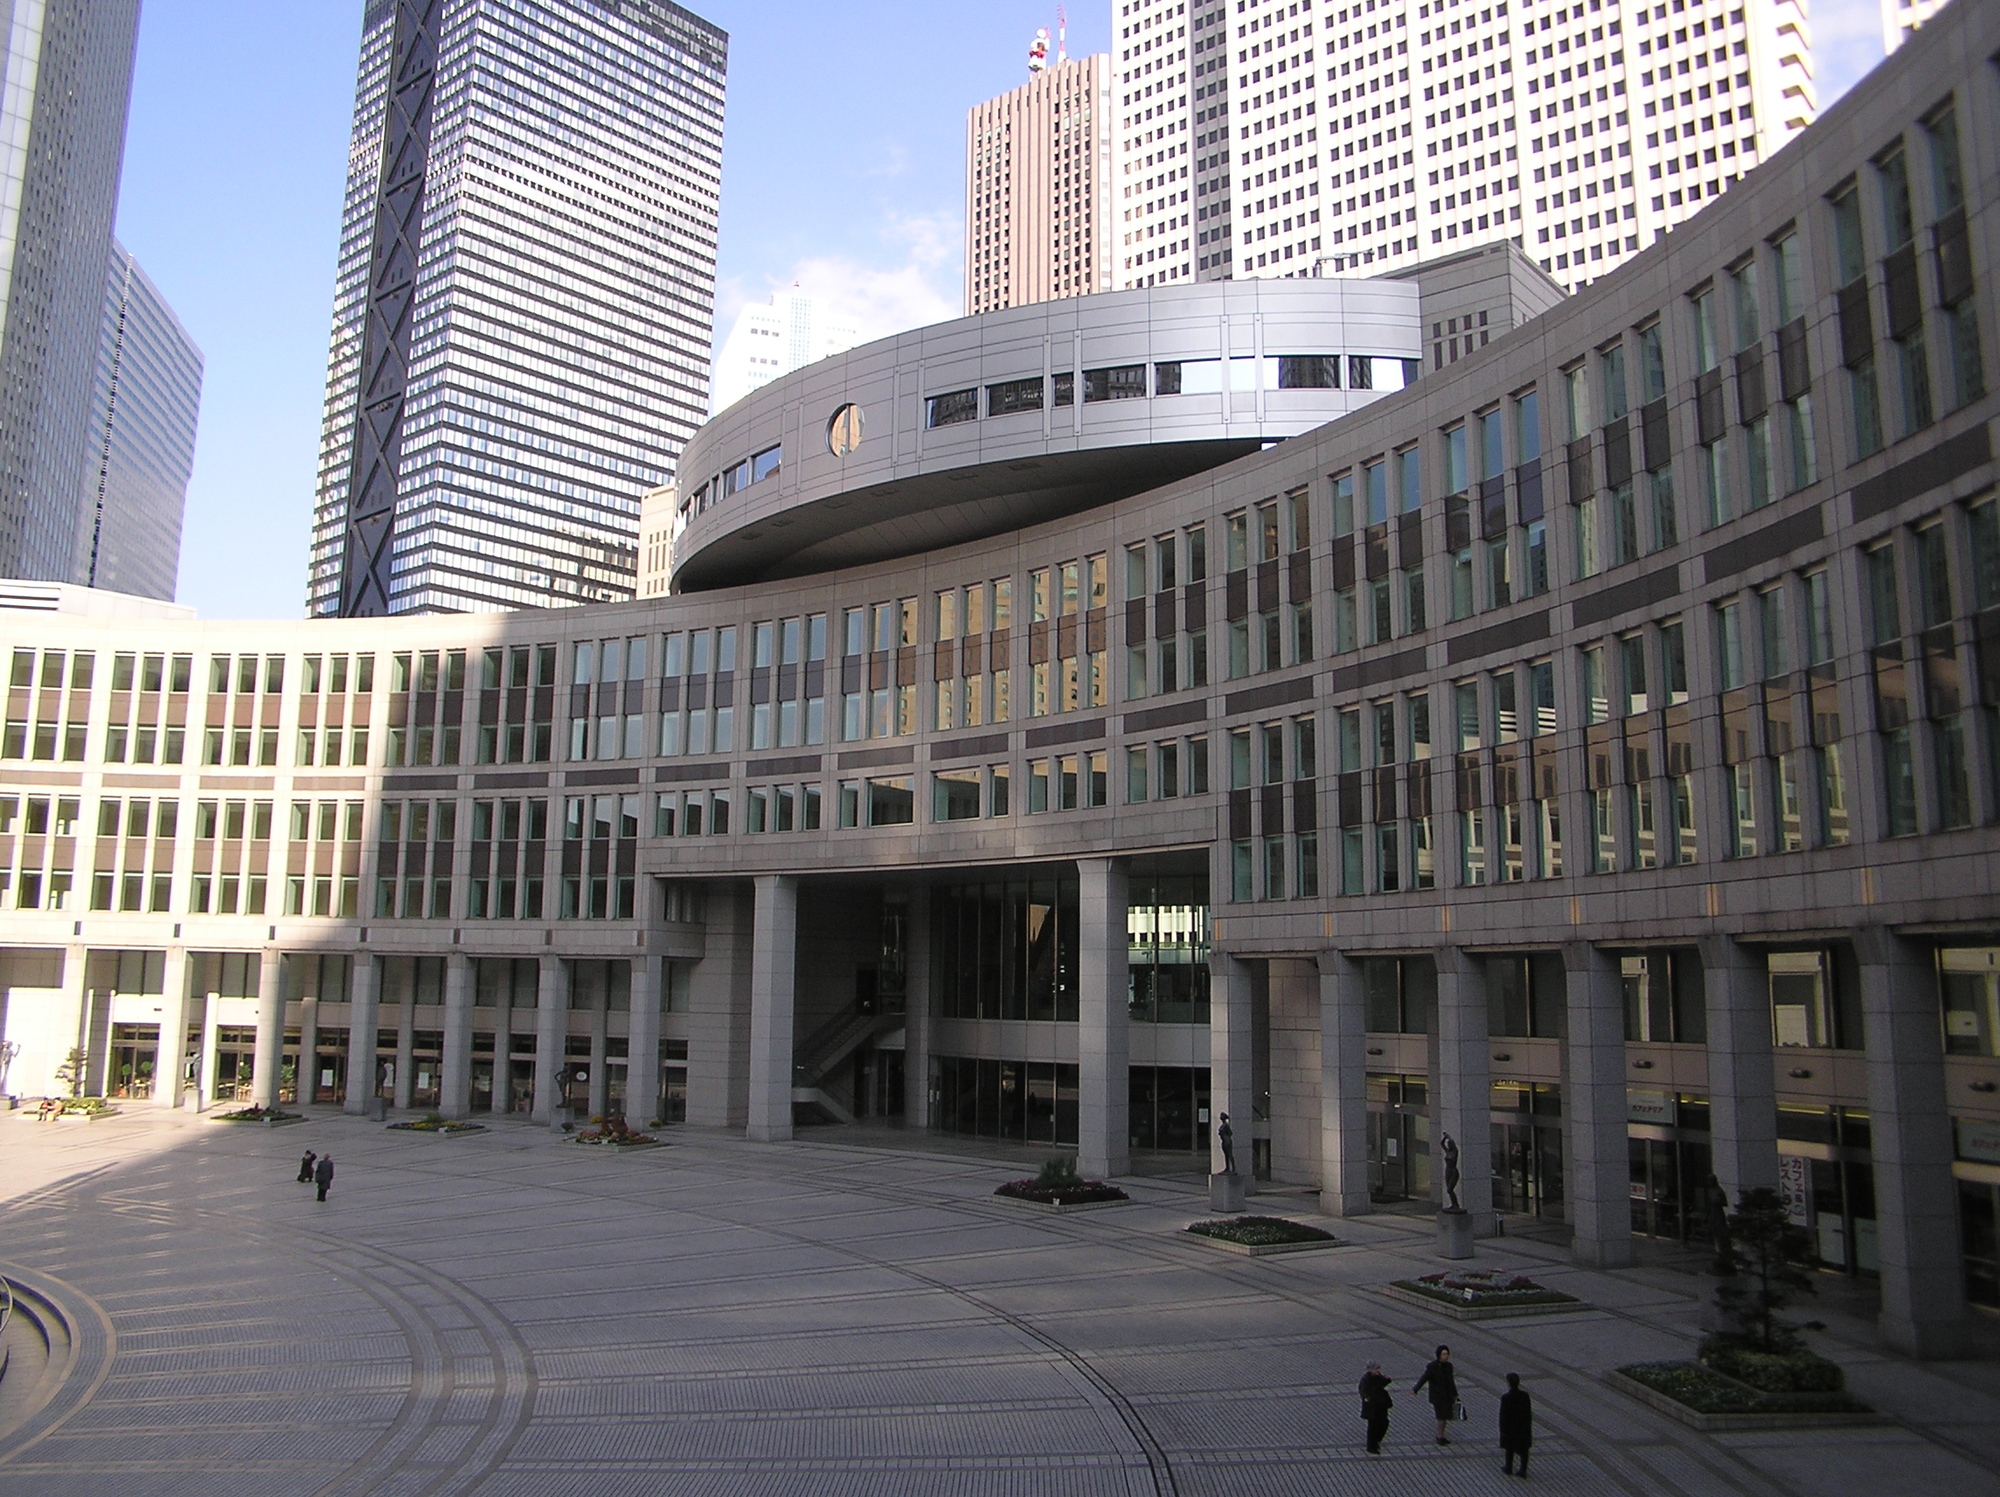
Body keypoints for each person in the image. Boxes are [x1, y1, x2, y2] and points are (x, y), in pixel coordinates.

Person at [1412, 1343, 1460, 1445]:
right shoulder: (1432, 1367)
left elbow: (1451, 1382)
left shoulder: (1449, 1366)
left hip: (1447, 1396)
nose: (1446, 1356)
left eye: (1447, 1354)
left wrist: (1455, 1395)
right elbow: (1424, 1378)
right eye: (1444, 1354)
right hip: (1437, 1397)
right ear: (1439, 1355)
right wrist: (1415, 1389)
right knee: (1441, 1417)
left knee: (1445, 1417)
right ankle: (1439, 1436)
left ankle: (1441, 1435)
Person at [1498, 1372, 1533, 1477]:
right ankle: (1523, 1469)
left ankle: (1508, 1467)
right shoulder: (1524, 1396)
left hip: (1511, 1428)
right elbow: (1528, 1413)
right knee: (1524, 1449)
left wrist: (1503, 1430)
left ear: (1508, 1384)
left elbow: (1503, 1415)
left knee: (1509, 1447)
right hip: (1522, 1426)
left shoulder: (1506, 1398)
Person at [1358, 1361, 1393, 1454]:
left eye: (1378, 1368)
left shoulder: (1378, 1376)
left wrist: (1387, 1379)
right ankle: (1371, 1446)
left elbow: (1382, 1384)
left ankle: (1377, 1441)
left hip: (1381, 1405)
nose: (1378, 1370)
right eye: (1376, 1369)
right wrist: (1366, 1397)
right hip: (1372, 1407)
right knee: (1373, 1426)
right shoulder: (1366, 1379)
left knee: (1384, 1423)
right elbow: (1362, 1390)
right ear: (1370, 1370)